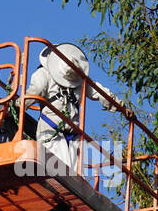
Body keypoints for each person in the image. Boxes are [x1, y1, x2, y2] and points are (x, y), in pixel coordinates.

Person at [23, 43, 119, 174]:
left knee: (74, 177)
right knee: (60, 172)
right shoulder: (43, 73)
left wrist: (119, 104)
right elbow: (35, 91)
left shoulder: (78, 78)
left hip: (72, 133)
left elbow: (99, 91)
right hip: (51, 129)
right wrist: (18, 105)